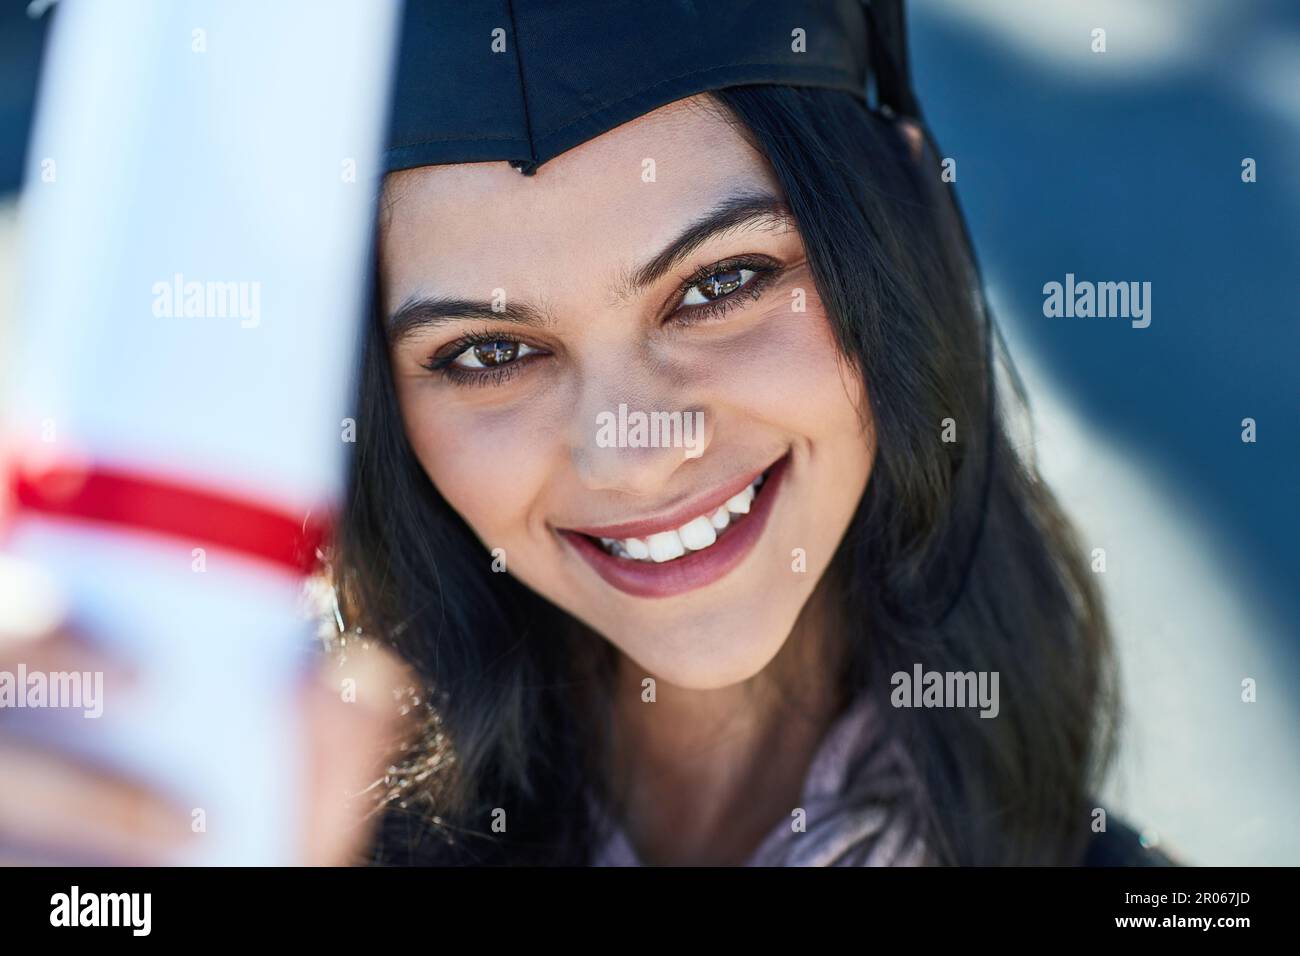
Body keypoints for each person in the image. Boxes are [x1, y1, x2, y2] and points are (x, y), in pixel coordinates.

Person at [0, 0, 1174, 867]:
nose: (630, 447)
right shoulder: (236, 810)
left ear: (902, 233)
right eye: (487, 352)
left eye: (719, 285)